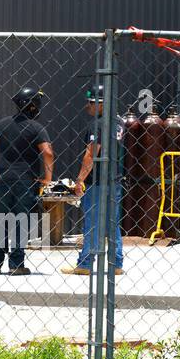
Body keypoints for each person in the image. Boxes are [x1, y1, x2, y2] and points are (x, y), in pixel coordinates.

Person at [0, 87, 54, 275]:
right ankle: (16, 264)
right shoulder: (36, 128)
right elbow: (47, 152)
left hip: (4, 179)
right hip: (26, 181)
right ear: (31, 106)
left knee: (3, 219)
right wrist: (47, 178)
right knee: (21, 220)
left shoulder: (2, 124)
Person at [64, 85, 125, 277]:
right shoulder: (119, 122)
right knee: (112, 222)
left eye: (90, 102)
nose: (87, 106)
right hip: (114, 179)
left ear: (101, 103)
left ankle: (86, 263)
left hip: (97, 181)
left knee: (91, 221)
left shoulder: (97, 124)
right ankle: (115, 263)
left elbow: (91, 154)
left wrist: (80, 179)